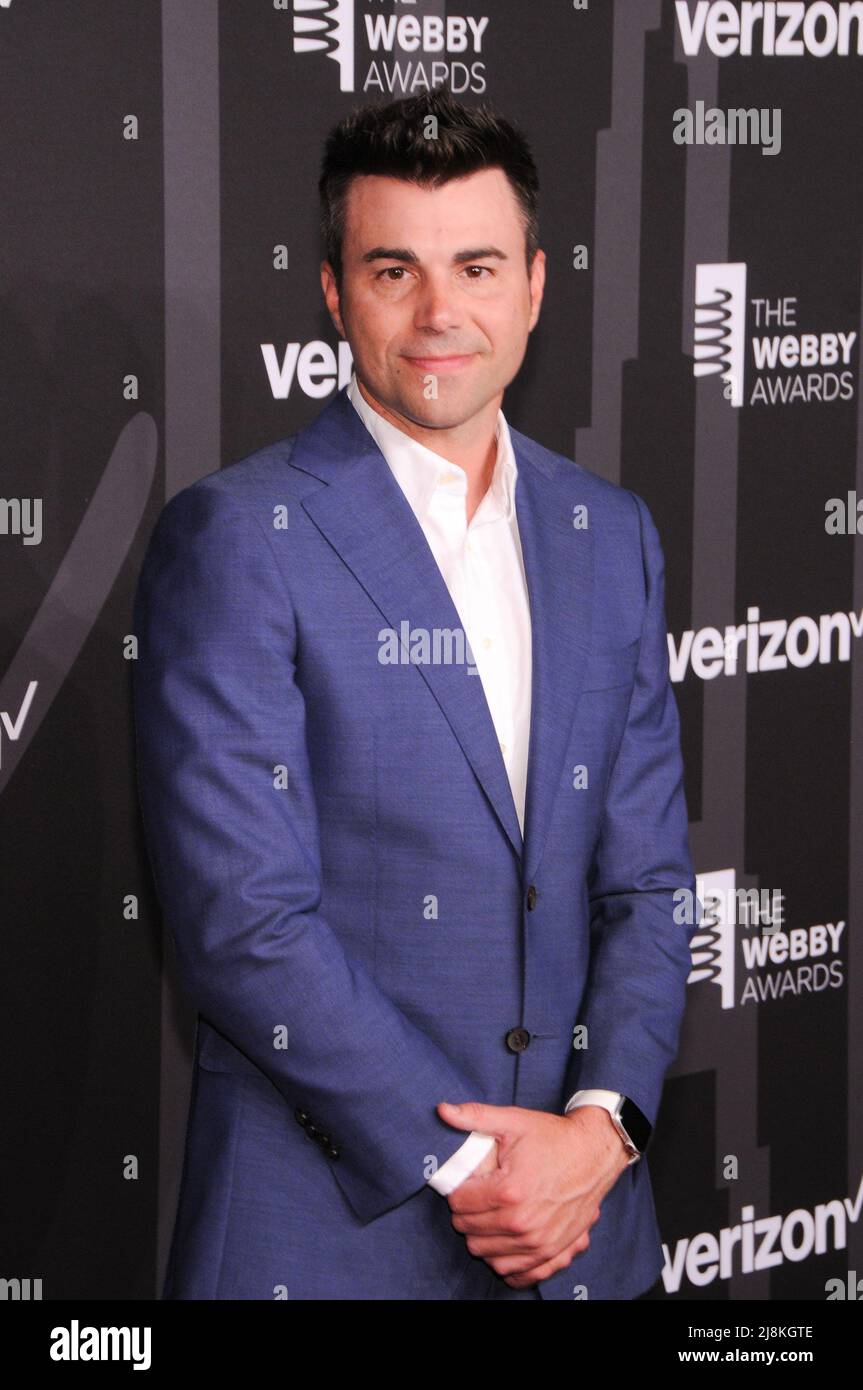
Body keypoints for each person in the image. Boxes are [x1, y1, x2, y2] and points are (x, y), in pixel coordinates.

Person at [132, 84, 698, 1301]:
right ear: (335, 292)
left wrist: (595, 1136)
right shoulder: (238, 537)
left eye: (477, 266)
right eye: (395, 271)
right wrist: (489, 1168)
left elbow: (647, 884)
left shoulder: (612, 534)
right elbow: (243, 923)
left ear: (535, 286)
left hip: (586, 1239)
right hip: (325, 1240)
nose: (442, 312)